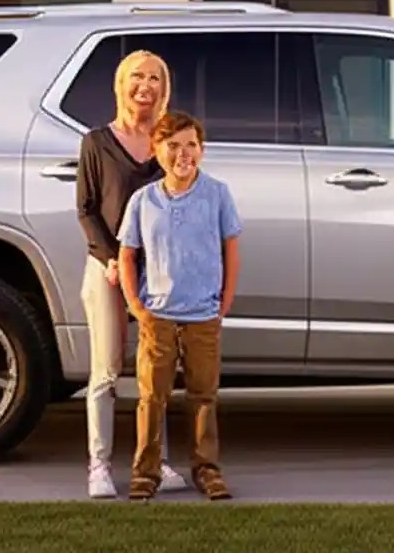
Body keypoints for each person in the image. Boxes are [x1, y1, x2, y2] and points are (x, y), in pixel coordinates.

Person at [76, 49, 186, 499]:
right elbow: (86, 209)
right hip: (106, 269)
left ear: (165, 88)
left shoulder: (171, 141)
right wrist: (110, 259)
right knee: (106, 370)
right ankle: (99, 466)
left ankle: (156, 461)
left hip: (156, 272)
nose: (145, 86)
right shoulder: (97, 142)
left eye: (155, 78)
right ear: (121, 85)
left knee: (155, 371)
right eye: (137, 77)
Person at [117, 111, 242, 502]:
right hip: (158, 315)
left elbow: (231, 249)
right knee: (152, 397)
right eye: (173, 146)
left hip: (203, 315)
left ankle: (207, 469)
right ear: (156, 150)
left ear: (201, 150)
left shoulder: (217, 195)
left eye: (191, 145)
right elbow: (127, 254)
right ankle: (146, 472)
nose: (183, 154)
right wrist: (137, 306)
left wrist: (223, 303)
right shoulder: (143, 201)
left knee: (203, 396)